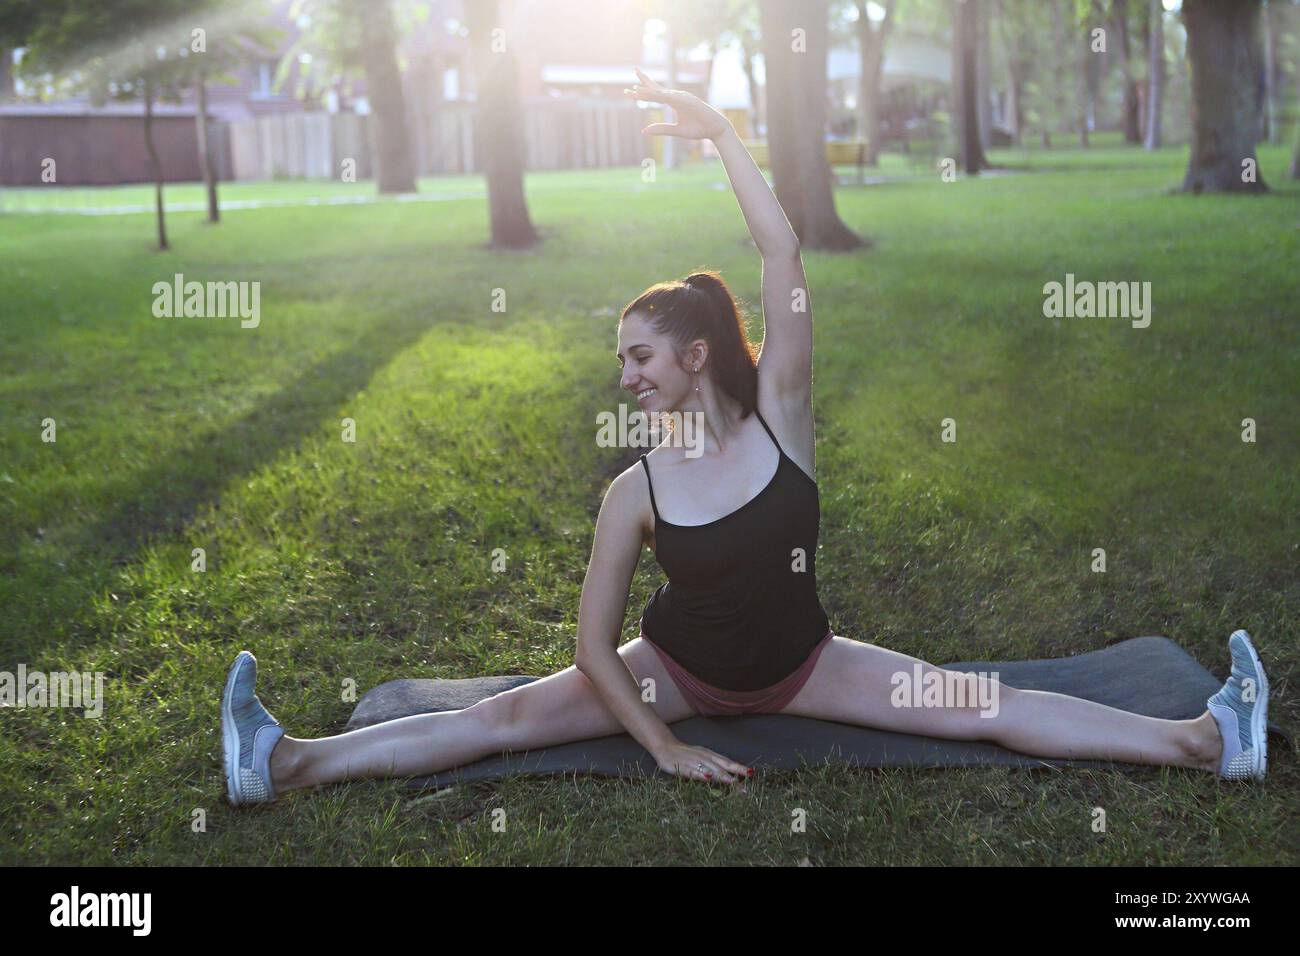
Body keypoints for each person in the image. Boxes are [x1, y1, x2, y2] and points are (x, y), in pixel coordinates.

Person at [221, 68, 1270, 806]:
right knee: (495, 723)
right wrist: (662, 742)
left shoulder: (783, 413)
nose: (622, 374)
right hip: (671, 674)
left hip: (806, 665)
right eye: (619, 359)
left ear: (694, 355)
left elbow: (780, 255)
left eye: (637, 355)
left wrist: (721, 134)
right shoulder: (634, 488)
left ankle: (1203, 739)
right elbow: (591, 647)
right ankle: (287, 759)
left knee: (985, 704)